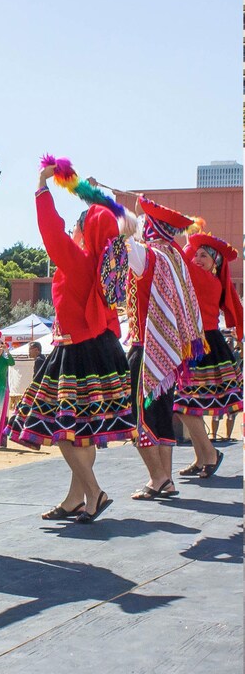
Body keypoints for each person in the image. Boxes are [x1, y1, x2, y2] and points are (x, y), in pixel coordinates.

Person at [7, 166, 137, 522]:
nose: (70, 231)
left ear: (83, 230)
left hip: (77, 350)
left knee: (62, 429)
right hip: (102, 349)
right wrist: (94, 197)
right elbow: (116, 222)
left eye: (76, 227)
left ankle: (94, 492)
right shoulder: (106, 263)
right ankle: (75, 499)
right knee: (85, 432)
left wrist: (41, 186)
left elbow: (50, 230)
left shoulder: (78, 261)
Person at [123, 196, 205, 500]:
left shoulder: (149, 256)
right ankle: (165, 479)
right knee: (160, 415)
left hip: (146, 348)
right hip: (169, 353)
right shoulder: (174, 258)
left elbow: (125, 237)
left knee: (139, 417)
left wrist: (105, 203)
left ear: (151, 228)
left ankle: (157, 478)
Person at [174, 232, 243, 477]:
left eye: (204, 256)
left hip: (204, 348)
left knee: (184, 405)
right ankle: (202, 457)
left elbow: (181, 261)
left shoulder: (209, 281)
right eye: (197, 255)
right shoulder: (201, 278)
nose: (197, 259)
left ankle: (210, 454)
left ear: (216, 263)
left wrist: (168, 234)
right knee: (188, 406)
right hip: (196, 346)